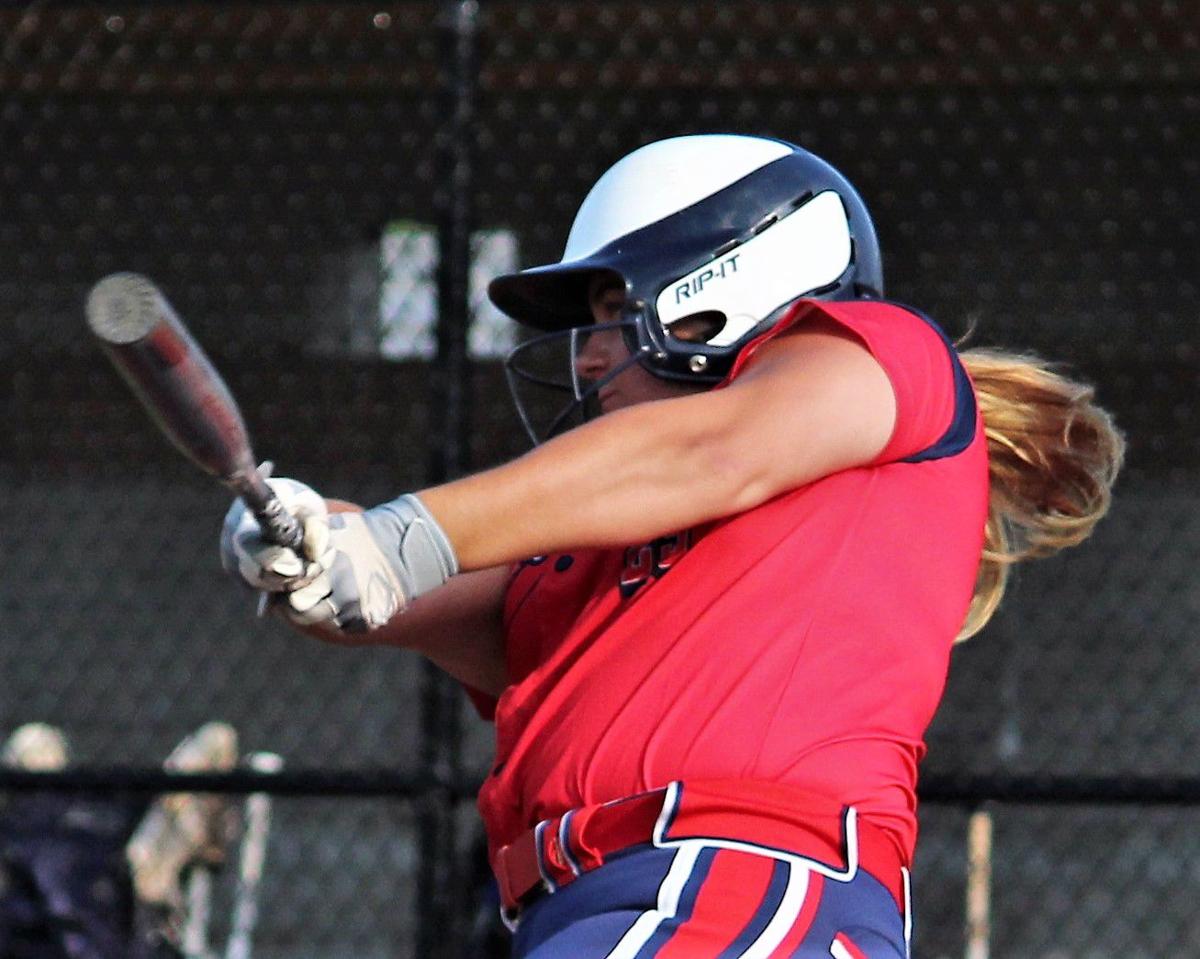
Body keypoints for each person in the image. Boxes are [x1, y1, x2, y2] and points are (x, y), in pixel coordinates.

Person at [221, 134, 1124, 957]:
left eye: (614, 304)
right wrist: (315, 537)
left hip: (730, 877)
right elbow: (465, 609)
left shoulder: (874, 356)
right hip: (596, 904)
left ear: (724, 279)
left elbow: (711, 451)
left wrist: (404, 533)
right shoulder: (617, 515)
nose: (582, 355)